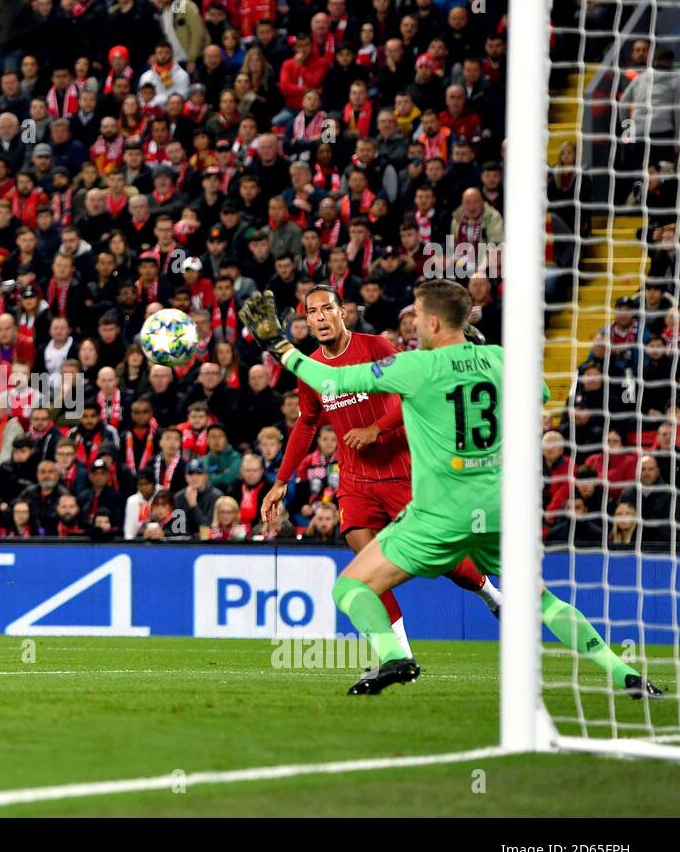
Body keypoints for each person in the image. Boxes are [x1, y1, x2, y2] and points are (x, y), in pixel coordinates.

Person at [241, 281, 661, 697]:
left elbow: (329, 381)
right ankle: (624, 672)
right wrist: (480, 355)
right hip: (500, 508)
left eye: (419, 316)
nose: (413, 324)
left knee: (351, 586)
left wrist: (279, 346)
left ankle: (396, 656)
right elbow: (545, 391)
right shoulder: (498, 358)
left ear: (435, 321)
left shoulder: (417, 367)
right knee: (541, 599)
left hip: (441, 510)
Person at [259, 285, 503, 662]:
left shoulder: (375, 347)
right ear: (306, 320)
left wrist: (377, 430)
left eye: (328, 309)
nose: (320, 317)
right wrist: (280, 481)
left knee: (445, 562)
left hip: (402, 471)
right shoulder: (310, 369)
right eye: (312, 312)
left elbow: (414, 395)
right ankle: (399, 656)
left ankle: (489, 592)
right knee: (365, 564)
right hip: (355, 482)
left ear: (344, 311)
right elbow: (307, 424)